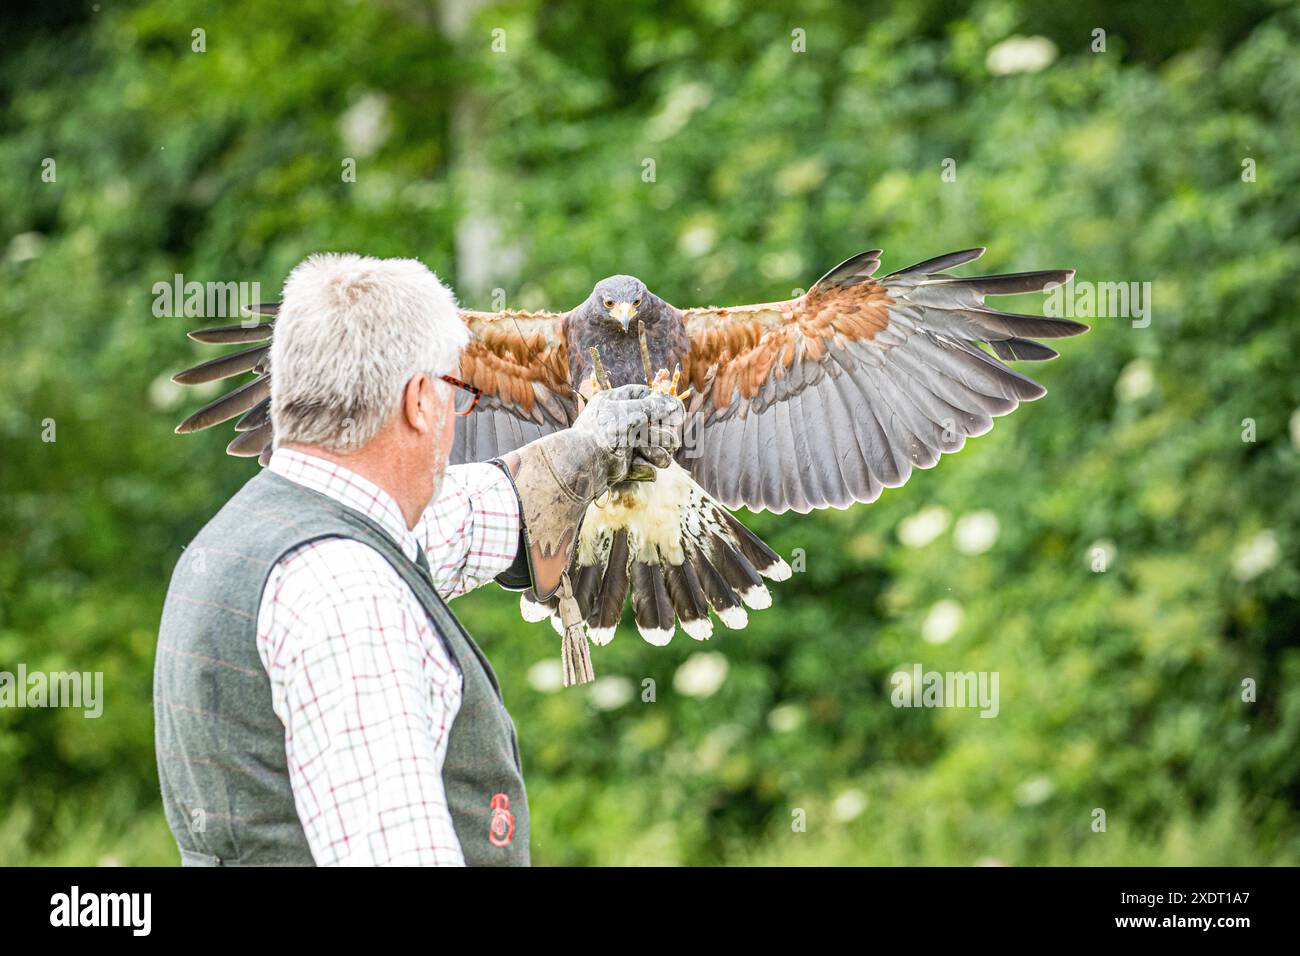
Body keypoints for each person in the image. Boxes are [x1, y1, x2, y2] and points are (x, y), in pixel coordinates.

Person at [153, 253, 683, 865]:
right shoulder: (349, 596)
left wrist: (589, 447)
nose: (461, 415)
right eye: (456, 392)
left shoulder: (259, 536)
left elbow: (465, 517)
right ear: (419, 402)